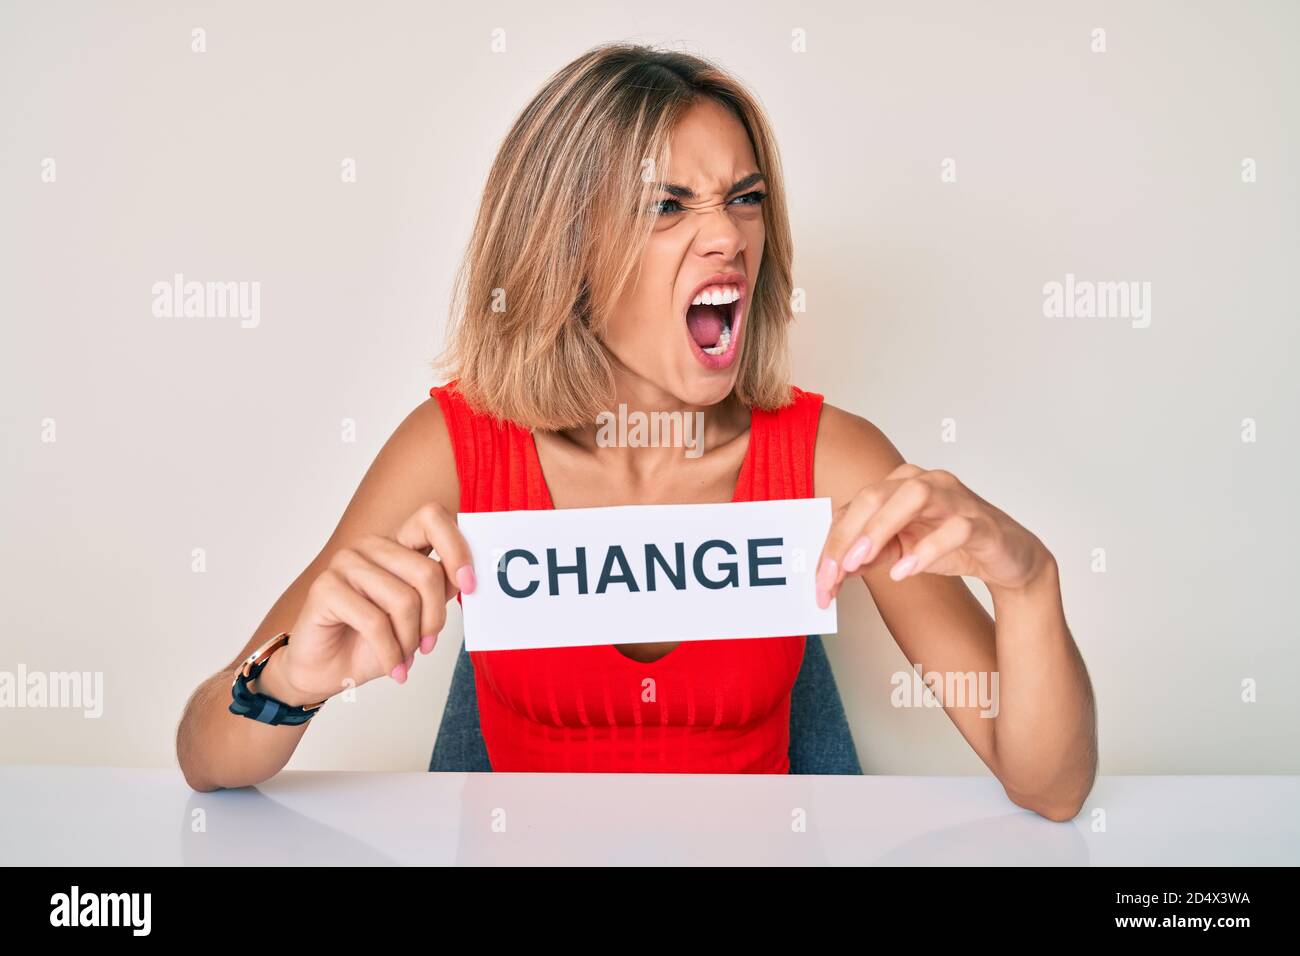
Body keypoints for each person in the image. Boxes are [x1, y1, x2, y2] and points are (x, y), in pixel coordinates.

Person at [177, 43, 1096, 820]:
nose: (730, 237)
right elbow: (202, 753)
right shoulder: (455, 448)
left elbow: (1050, 789)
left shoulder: (830, 458)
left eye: (744, 197)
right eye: (668, 207)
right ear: (565, 249)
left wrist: (1029, 580)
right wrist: (290, 681)